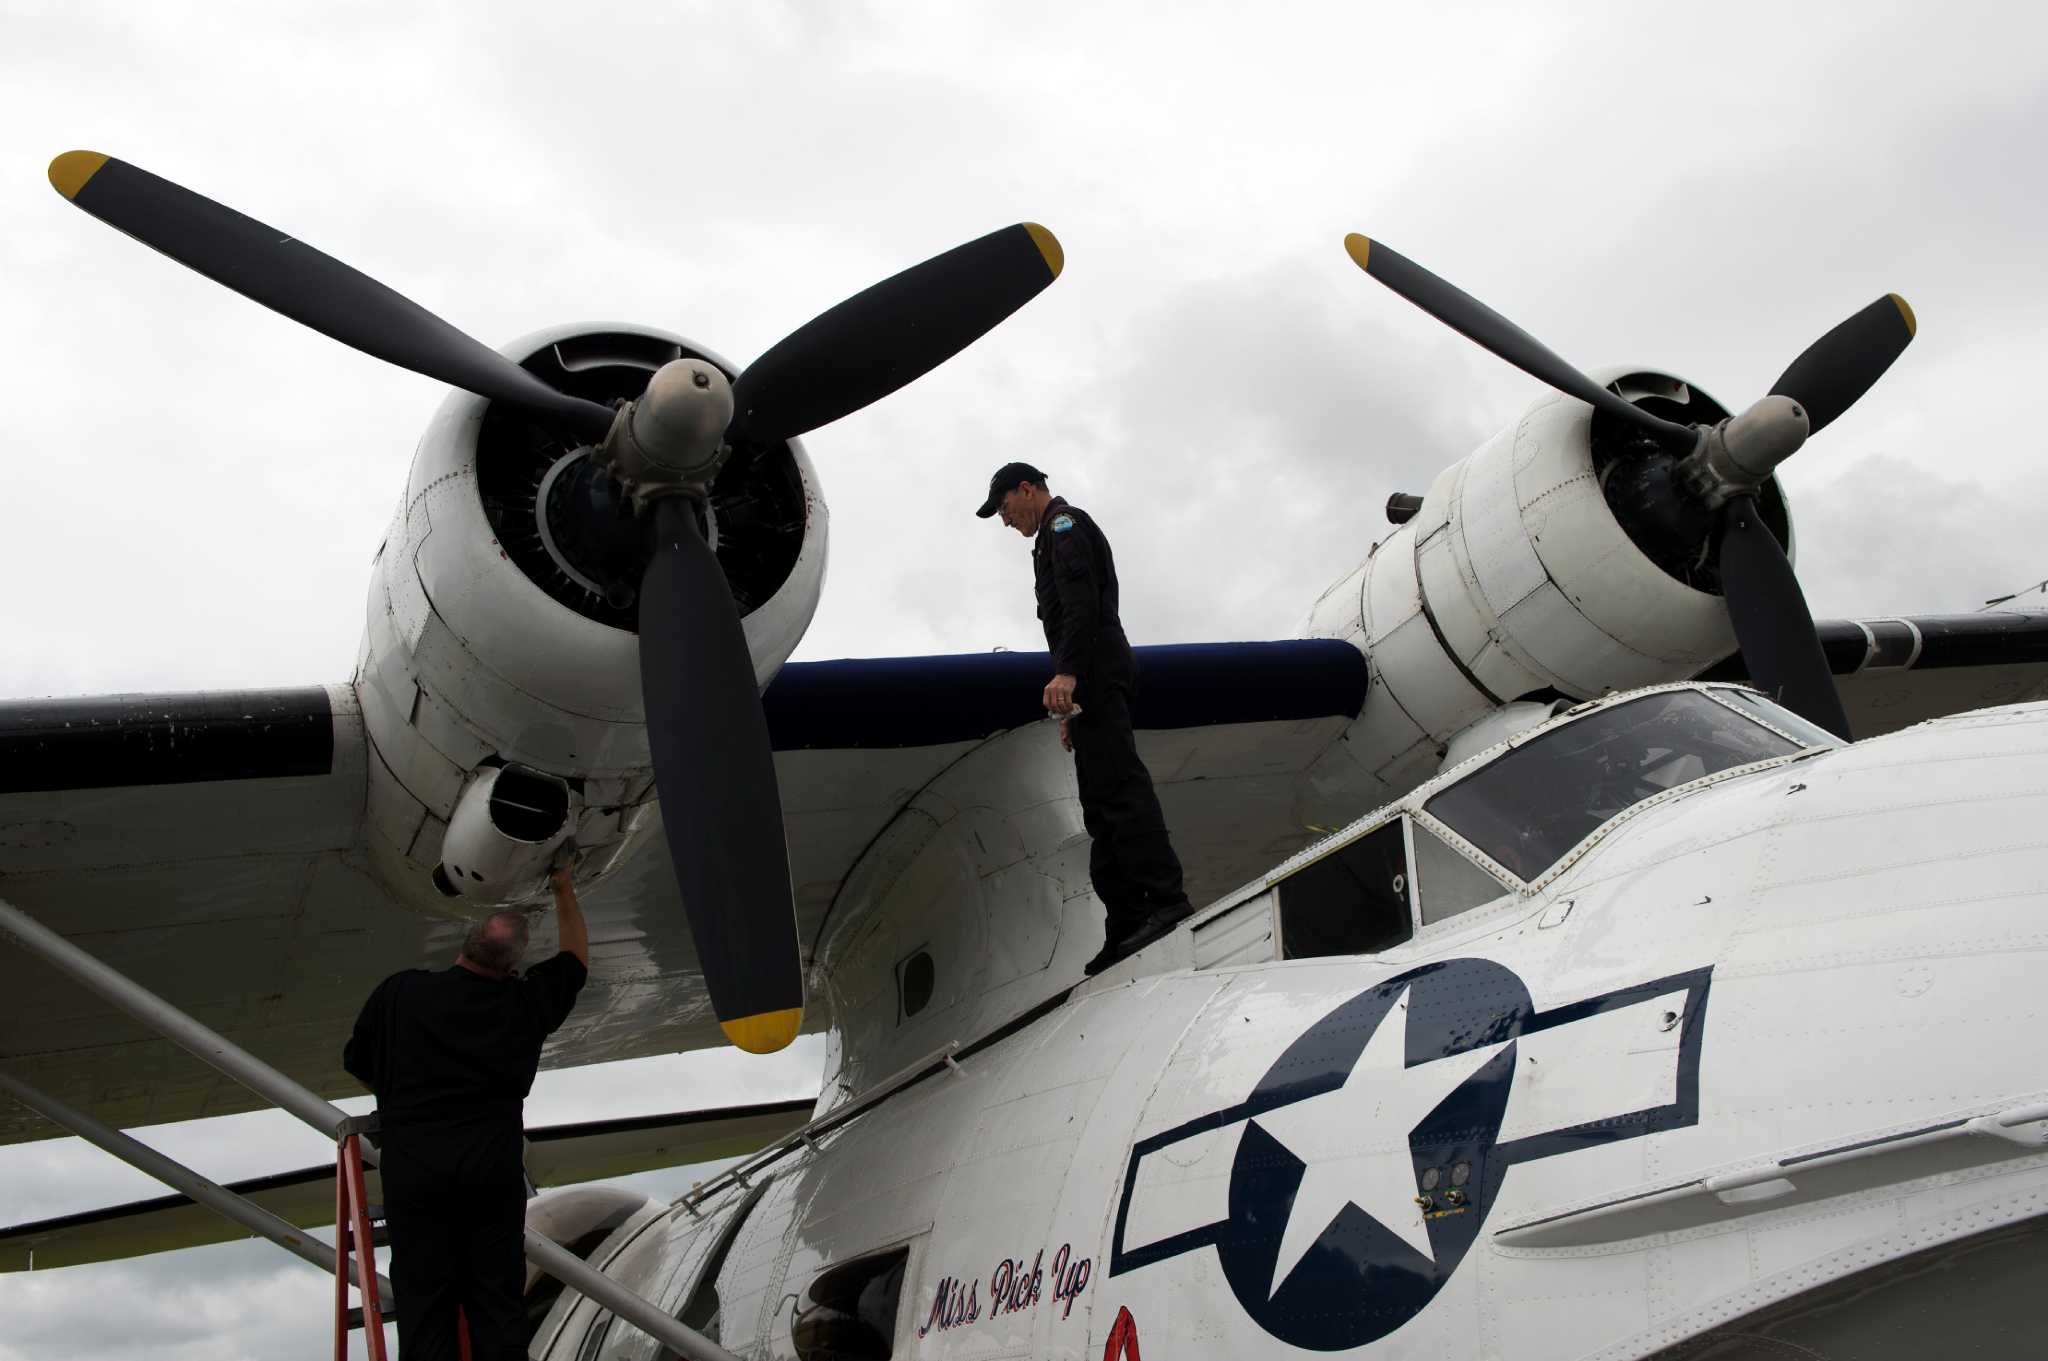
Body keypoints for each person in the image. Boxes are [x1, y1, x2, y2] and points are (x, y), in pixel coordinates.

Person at [342, 863, 590, 1360]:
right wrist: (563, 889)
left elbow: (356, 1062)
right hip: (489, 1175)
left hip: (415, 1171)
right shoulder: (523, 1004)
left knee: (423, 1303)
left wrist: (395, 1097)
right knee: (497, 1305)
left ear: (465, 943)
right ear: (514, 967)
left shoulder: (400, 993)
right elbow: (574, 960)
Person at [977, 461, 1194, 974]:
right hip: (1086, 683)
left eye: (1005, 508)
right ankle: (1125, 920)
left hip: (1095, 670)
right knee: (1097, 807)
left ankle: (1165, 901)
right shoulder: (1047, 541)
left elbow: (1081, 607)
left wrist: (1069, 675)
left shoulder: (1064, 526)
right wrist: (1072, 707)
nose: (1005, 521)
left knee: (1121, 788)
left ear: (1026, 490)